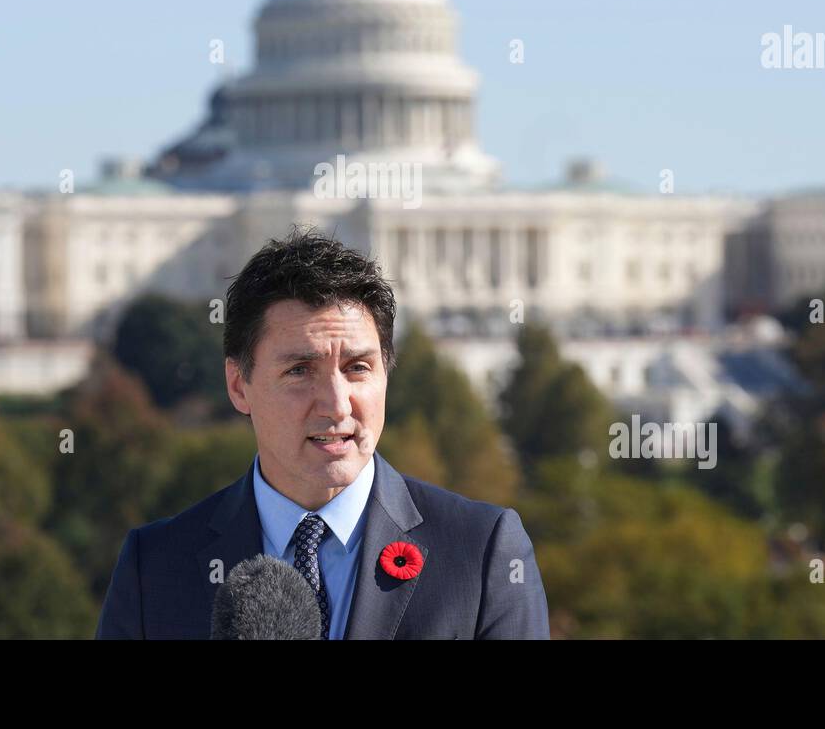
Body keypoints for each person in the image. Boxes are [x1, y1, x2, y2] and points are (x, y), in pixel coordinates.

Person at [95, 225, 550, 639]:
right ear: (239, 386)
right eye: (299, 371)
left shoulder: (481, 552)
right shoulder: (154, 567)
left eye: (357, 368)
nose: (336, 404)